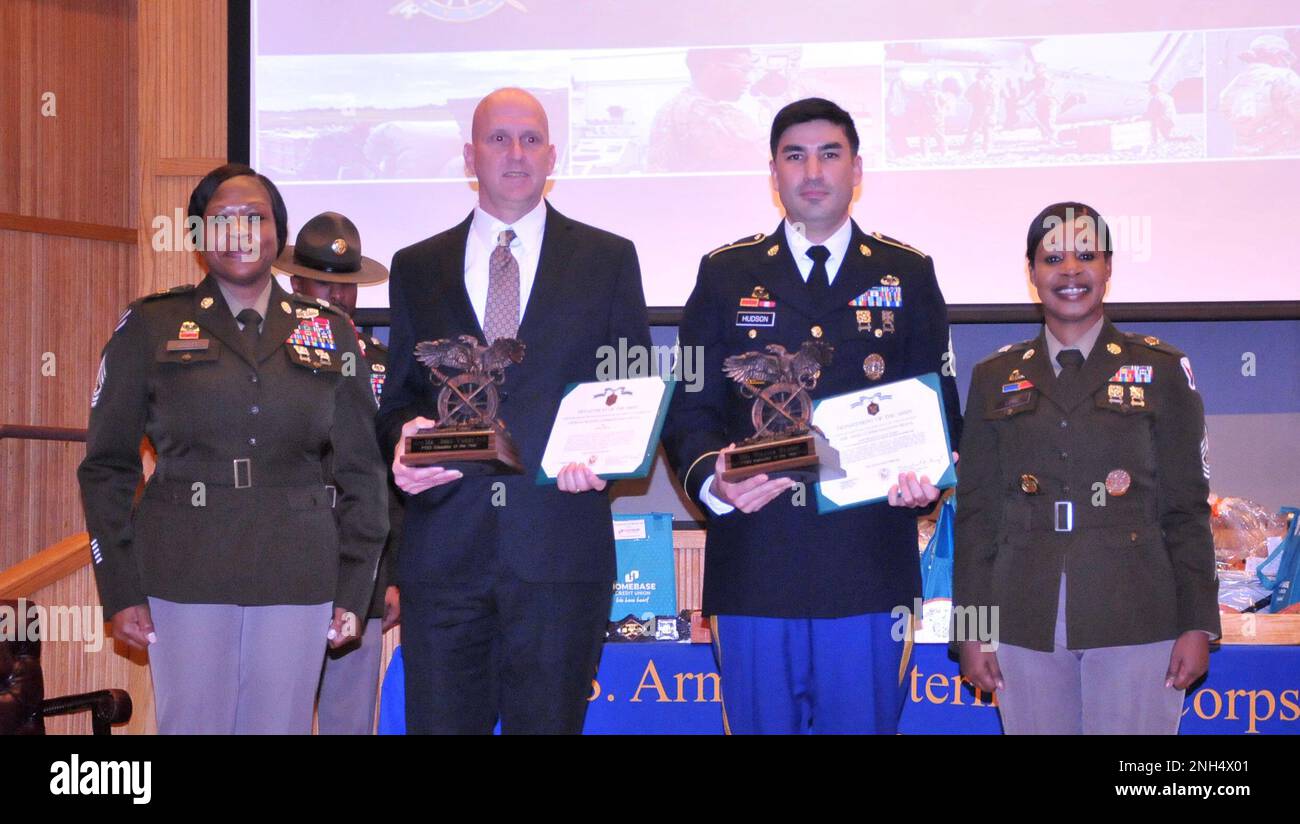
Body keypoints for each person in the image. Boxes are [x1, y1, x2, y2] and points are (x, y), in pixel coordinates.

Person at [663, 97, 962, 734]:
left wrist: (927, 482)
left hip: (868, 568)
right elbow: (688, 406)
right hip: (755, 562)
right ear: (773, 174)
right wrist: (714, 480)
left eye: (830, 153)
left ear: (858, 168)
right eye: (794, 156)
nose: (813, 171)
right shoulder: (724, 274)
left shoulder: (906, 272)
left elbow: (940, 407)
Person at [377, 88, 652, 734]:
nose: (516, 153)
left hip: (558, 555)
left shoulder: (608, 260)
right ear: (470, 156)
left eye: (530, 139)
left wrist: (609, 460)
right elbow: (399, 401)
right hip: (444, 560)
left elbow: (633, 389)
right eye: (499, 139)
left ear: (552, 154)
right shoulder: (417, 267)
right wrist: (403, 436)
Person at [78, 164, 389, 734]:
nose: (241, 230)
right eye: (223, 218)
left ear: (278, 234)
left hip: (298, 572)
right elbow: (106, 467)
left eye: (257, 217)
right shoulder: (152, 324)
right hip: (183, 569)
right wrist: (120, 589)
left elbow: (363, 472)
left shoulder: (328, 330)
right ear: (197, 236)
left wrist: (354, 587)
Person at [954, 201, 1219, 734]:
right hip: (1023, 614)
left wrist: (1197, 624)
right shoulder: (993, 375)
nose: (1070, 270)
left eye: (1085, 256)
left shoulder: (1161, 369)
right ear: (1032, 272)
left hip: (1138, 611)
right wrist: (971, 631)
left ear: (1109, 267)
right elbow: (977, 514)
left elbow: (1187, 509)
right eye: (1053, 258)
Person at [273, 210, 403, 734]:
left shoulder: (383, 364)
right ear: (294, 281)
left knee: (349, 720)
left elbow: (394, 479)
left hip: (362, 571)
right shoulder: (265, 357)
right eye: (322, 282)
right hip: (277, 568)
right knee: (273, 715)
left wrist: (392, 574)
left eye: (346, 285)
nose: (335, 296)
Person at [646, 47, 766, 173]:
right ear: (712, 68)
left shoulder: (668, 109)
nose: (748, 80)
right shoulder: (709, 114)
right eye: (744, 70)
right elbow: (769, 160)